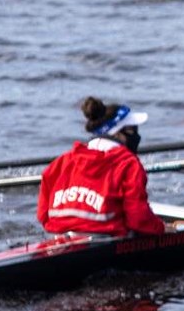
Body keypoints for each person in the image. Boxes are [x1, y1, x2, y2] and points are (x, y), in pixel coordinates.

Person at [37, 97, 165, 237]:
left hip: (61, 239)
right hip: (106, 246)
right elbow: (138, 218)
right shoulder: (128, 164)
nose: (136, 135)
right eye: (132, 130)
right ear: (116, 133)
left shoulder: (60, 163)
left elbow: (43, 216)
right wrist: (162, 228)